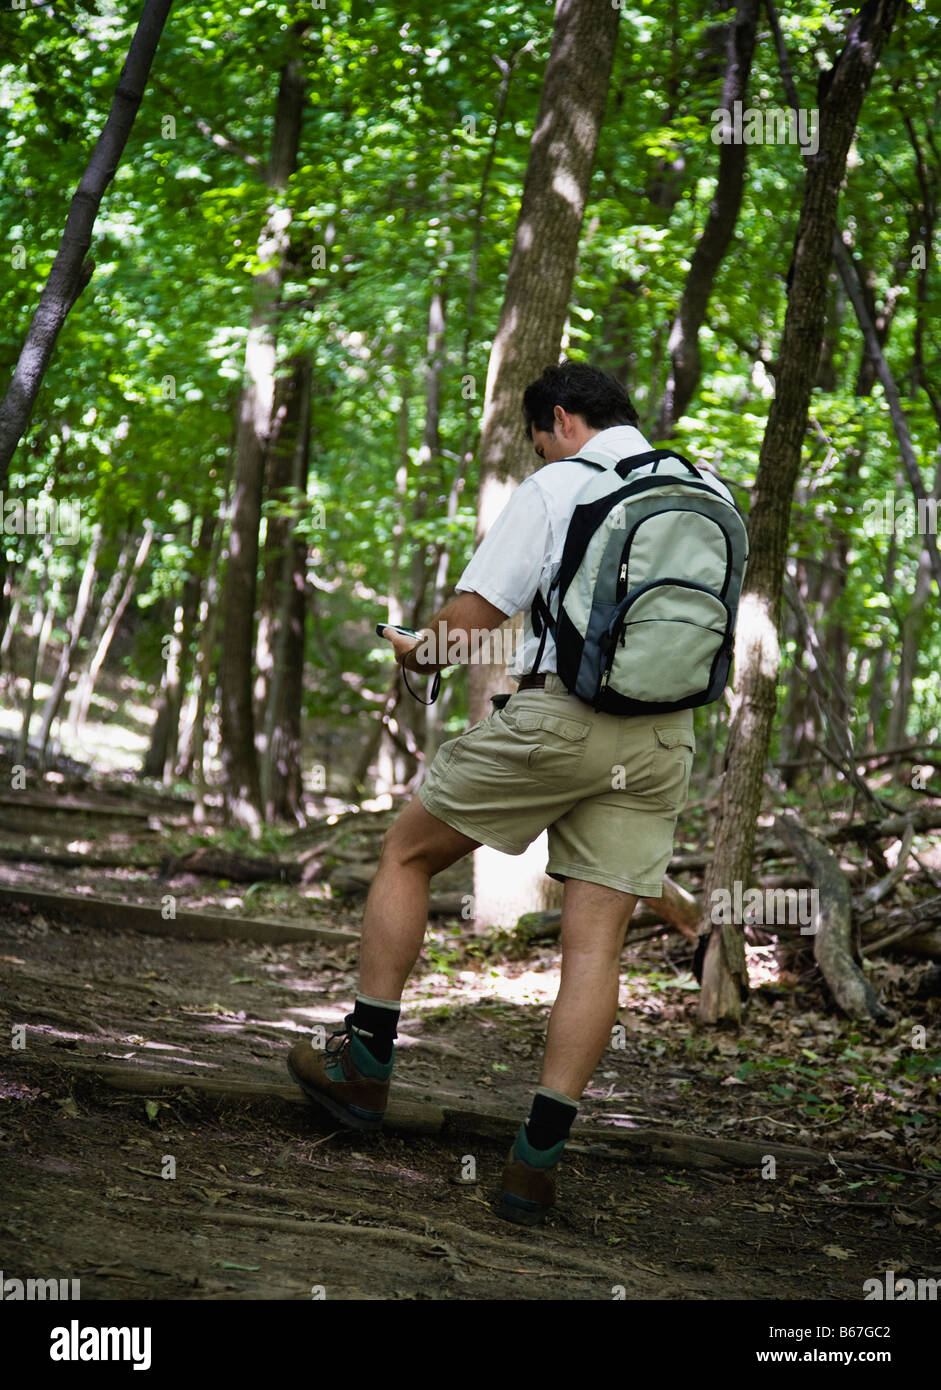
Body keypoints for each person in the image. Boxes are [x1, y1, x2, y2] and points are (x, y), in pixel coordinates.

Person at [287, 360, 695, 1225]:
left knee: (407, 852)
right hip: (662, 739)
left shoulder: (561, 487)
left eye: (538, 438)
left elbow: (475, 621)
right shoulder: (701, 489)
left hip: (560, 719)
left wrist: (417, 653)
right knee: (594, 948)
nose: (540, 452)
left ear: (558, 420)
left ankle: (364, 1069)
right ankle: (534, 1163)